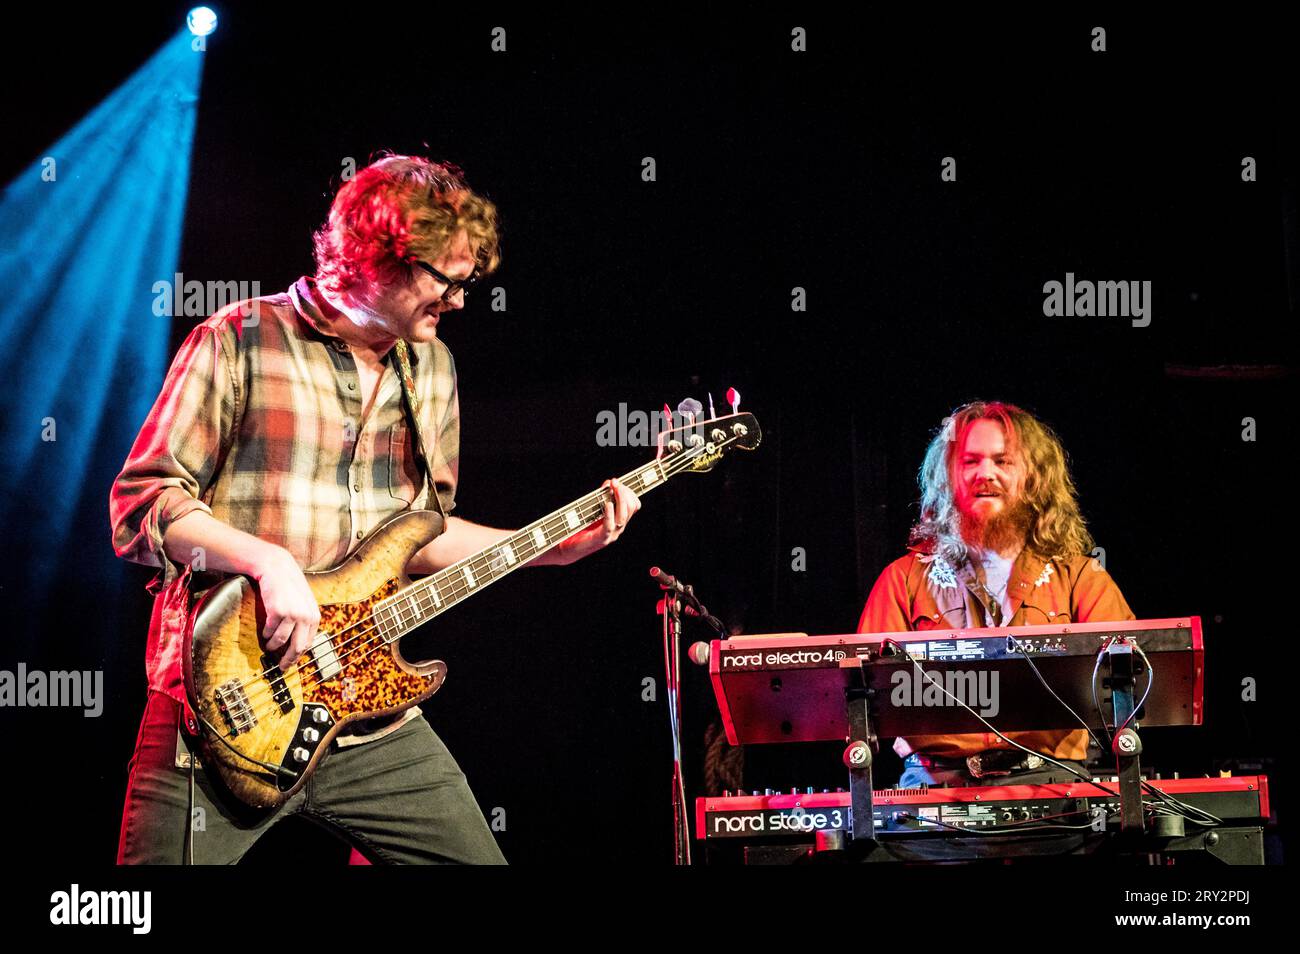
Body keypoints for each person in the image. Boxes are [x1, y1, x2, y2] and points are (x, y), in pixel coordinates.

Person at [109, 154, 641, 863]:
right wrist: (268, 564)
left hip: (369, 707)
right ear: (373, 259)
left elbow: (421, 534)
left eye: (467, 280)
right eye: (445, 278)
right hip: (225, 707)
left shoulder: (433, 369)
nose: (458, 299)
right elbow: (141, 505)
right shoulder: (239, 339)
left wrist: (549, 547)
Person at [857, 400, 1133, 788]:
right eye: (970, 461)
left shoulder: (1080, 576)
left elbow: (1130, 681)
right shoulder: (901, 579)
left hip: (1055, 786)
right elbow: (863, 696)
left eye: (1002, 461)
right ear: (947, 476)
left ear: (1034, 477)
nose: (985, 473)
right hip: (935, 789)